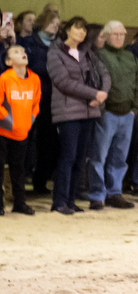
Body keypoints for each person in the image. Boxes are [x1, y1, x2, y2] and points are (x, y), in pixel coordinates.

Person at [47, 16, 111, 215]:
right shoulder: (55, 53)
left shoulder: (88, 53)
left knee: (81, 158)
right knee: (68, 156)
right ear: (66, 30)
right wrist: (94, 94)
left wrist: (102, 95)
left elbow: (105, 74)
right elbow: (63, 82)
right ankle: (59, 201)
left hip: (89, 110)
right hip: (67, 112)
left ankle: (71, 200)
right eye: (77, 28)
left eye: (84, 29)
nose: (82, 32)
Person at [89, 21, 138, 210]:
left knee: (119, 158)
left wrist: (135, 109)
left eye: (122, 34)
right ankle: (97, 195)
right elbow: (95, 83)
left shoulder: (130, 57)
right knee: (99, 156)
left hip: (127, 115)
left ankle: (115, 193)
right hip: (107, 113)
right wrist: (102, 110)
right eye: (115, 34)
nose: (120, 37)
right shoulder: (99, 56)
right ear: (106, 36)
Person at [18, 7, 60, 195]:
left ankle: (40, 182)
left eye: (58, 24)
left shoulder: (59, 45)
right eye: (52, 22)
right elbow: (27, 67)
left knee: (48, 143)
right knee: (24, 140)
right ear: (43, 23)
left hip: (52, 100)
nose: (55, 26)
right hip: (29, 98)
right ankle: (19, 181)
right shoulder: (28, 42)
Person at [0, 45, 41, 215]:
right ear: (8, 62)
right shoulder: (5, 78)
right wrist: (9, 122)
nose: (23, 54)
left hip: (22, 132)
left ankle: (19, 203)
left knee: (19, 169)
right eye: (17, 52)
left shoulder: (35, 79)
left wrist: (28, 123)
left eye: (23, 51)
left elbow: (35, 105)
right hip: (3, 132)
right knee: (0, 168)